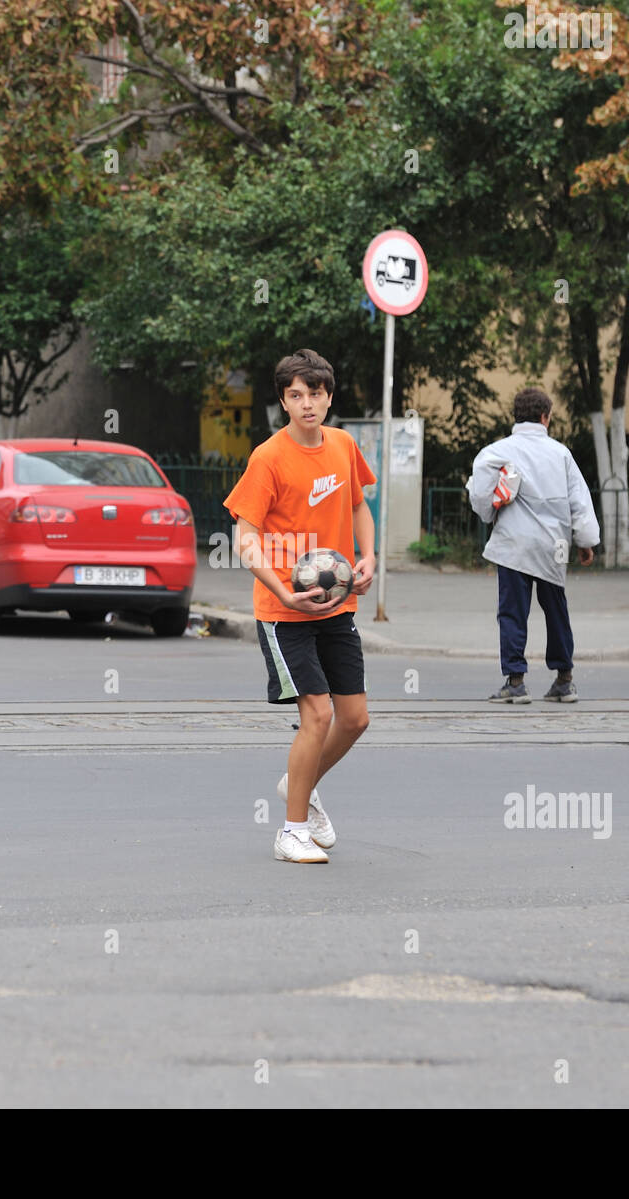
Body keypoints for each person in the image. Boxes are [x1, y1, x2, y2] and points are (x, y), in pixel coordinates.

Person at [224, 349, 378, 863]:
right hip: (284, 609)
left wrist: (369, 557)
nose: (307, 403)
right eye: (295, 395)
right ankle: (291, 830)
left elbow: (359, 504)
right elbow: (244, 536)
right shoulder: (268, 457)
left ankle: (299, 780)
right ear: (284, 402)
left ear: (329, 397)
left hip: (337, 608)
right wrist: (283, 589)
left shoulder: (343, 445)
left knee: (354, 719)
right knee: (317, 714)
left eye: (315, 393)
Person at [467, 386, 600, 703]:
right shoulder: (561, 453)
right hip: (553, 546)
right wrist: (585, 541)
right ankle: (564, 679)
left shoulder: (497, 451)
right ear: (545, 417)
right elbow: (579, 501)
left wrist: (489, 512)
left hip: (513, 545)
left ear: (517, 417)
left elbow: (480, 494)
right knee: (556, 611)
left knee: (512, 612)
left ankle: (515, 682)